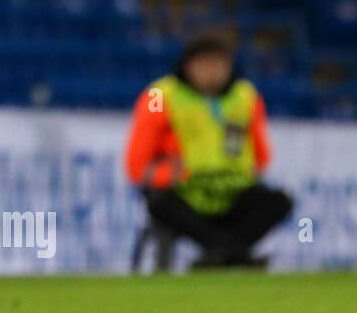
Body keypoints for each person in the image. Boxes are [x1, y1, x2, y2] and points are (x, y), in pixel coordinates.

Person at [125, 34, 294, 268]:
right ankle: (235, 256)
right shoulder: (159, 96)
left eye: (219, 65)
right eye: (204, 65)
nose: (212, 72)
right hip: (185, 193)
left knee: (279, 201)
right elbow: (137, 165)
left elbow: (261, 156)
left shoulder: (246, 96)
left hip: (232, 192)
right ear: (187, 66)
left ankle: (221, 255)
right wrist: (175, 175)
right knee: (160, 203)